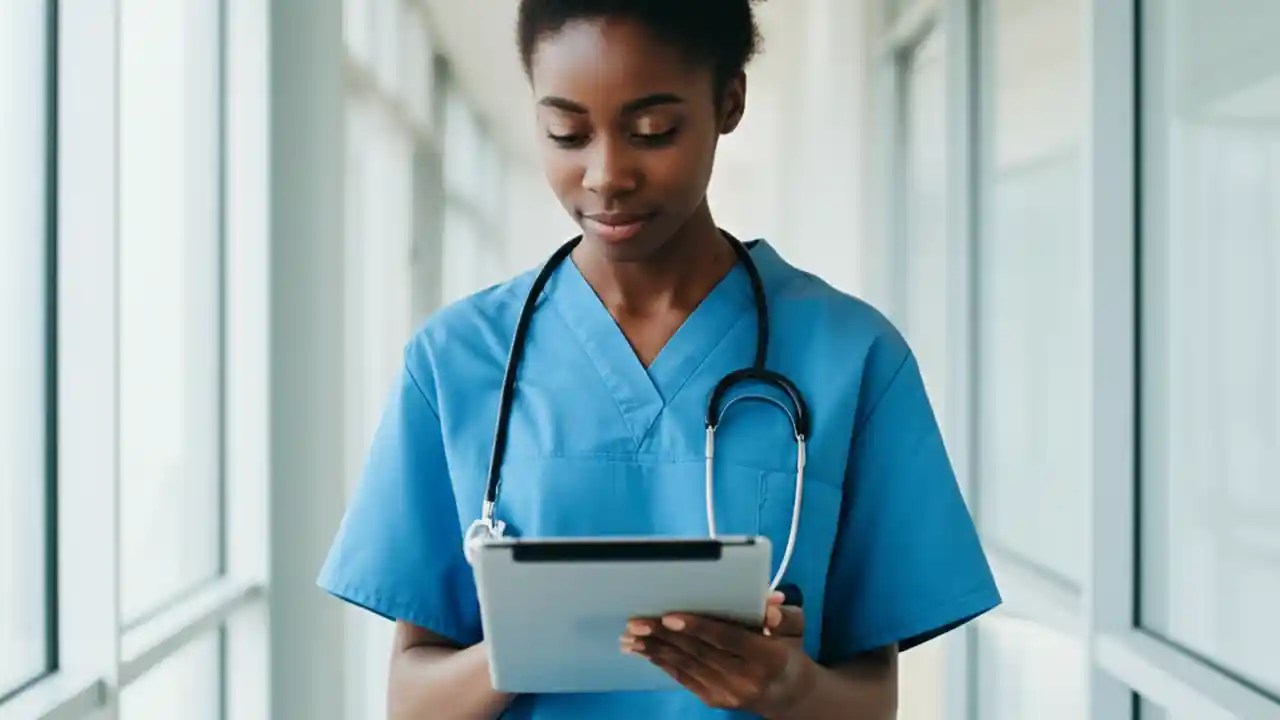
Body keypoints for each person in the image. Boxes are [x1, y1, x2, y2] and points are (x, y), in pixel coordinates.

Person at [316, 1, 1000, 717]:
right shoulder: (454, 363)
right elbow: (411, 700)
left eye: (653, 131)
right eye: (567, 133)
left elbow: (870, 700)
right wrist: (533, 640)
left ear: (729, 100)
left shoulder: (853, 359)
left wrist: (787, 685)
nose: (607, 175)